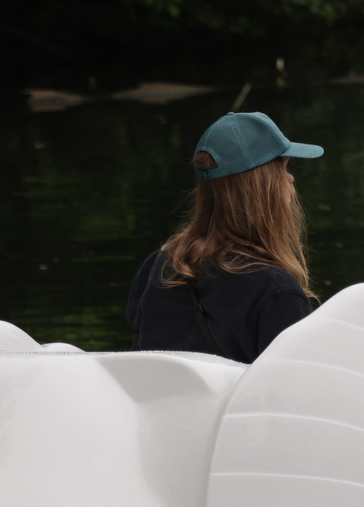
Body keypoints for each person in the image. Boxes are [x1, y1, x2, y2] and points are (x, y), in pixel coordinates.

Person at [128, 112, 323, 363]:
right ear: (262, 188)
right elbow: (295, 383)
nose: (290, 178)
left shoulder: (159, 266)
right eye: (283, 169)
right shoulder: (277, 293)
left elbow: (139, 363)